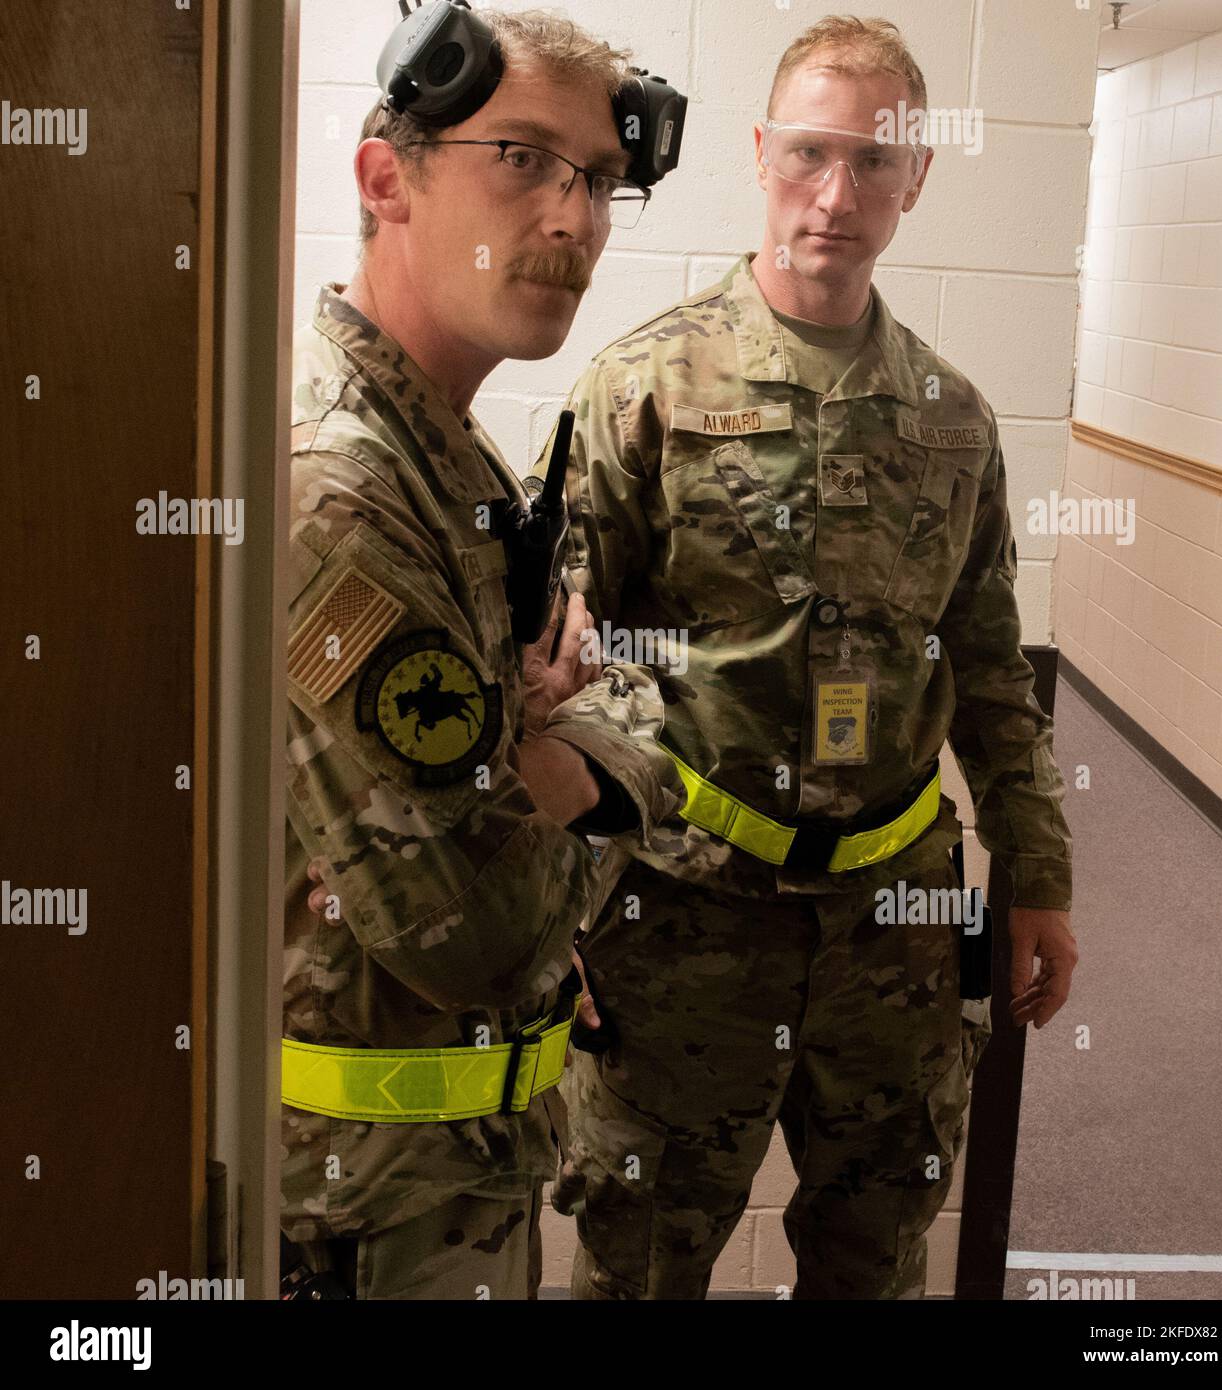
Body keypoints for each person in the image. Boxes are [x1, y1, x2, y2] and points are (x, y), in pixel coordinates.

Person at [541, 15, 1078, 1300]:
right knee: (643, 1257)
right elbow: (547, 669)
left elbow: (990, 665)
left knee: (880, 1254)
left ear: (916, 177)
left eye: (873, 162)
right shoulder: (640, 389)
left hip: (894, 919)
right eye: (808, 154)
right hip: (683, 912)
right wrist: (538, 911)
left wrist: (1038, 872)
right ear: (759, 154)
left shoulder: (951, 421)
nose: (835, 195)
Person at [282, 6, 682, 1301]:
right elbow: (478, 931)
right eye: (521, 158)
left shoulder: (449, 458)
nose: (574, 220)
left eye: (599, 181)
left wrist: (544, 755)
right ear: (385, 177)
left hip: (458, 1172)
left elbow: (585, 706)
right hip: (364, 1210)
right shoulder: (339, 492)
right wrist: (563, 763)